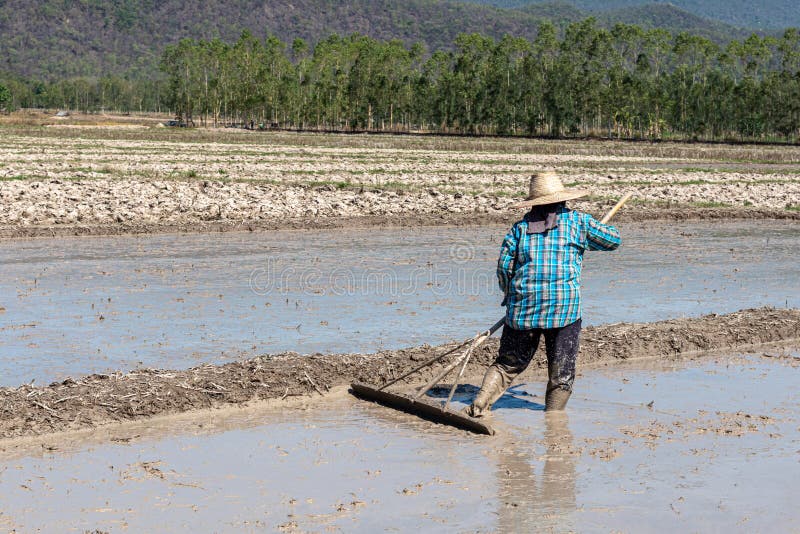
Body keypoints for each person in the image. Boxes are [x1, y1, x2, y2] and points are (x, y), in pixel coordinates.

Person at [466, 171, 621, 416]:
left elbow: (504, 268)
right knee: (562, 374)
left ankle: (478, 406)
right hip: (564, 310)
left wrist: (511, 297)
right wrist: (594, 232)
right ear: (563, 200)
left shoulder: (519, 229)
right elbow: (613, 240)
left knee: (507, 365)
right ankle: (554, 423)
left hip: (523, 308)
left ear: (534, 203)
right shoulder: (579, 222)